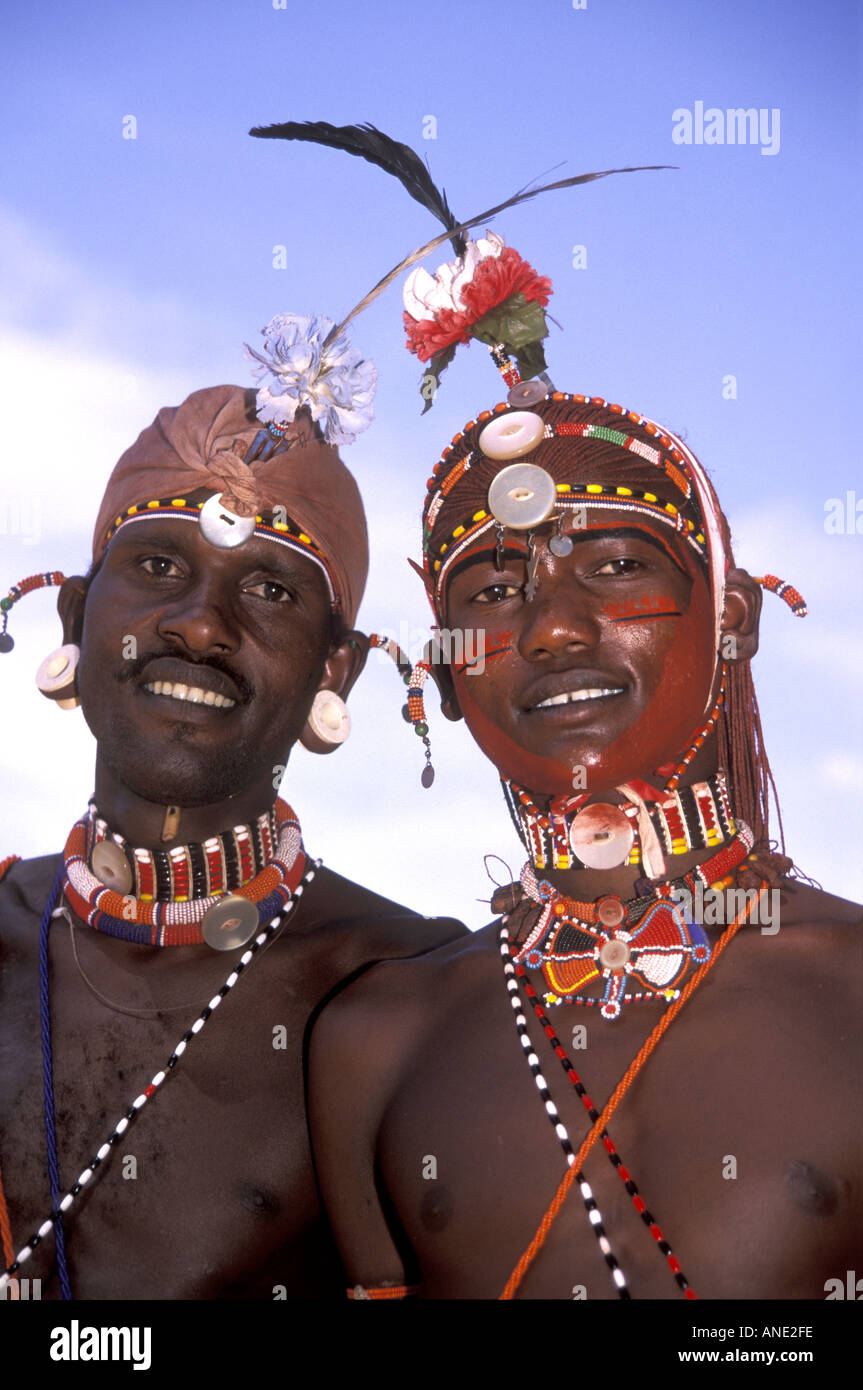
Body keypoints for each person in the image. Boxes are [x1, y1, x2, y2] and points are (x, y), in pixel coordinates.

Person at [307, 253, 862, 1300]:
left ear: (730, 618)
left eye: (613, 565)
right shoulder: (375, 1037)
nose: (551, 627)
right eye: (492, 586)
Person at [0, 315, 464, 1301]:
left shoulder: (412, 993)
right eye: (159, 568)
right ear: (77, 620)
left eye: (269, 589)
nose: (202, 624)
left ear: (332, 671)